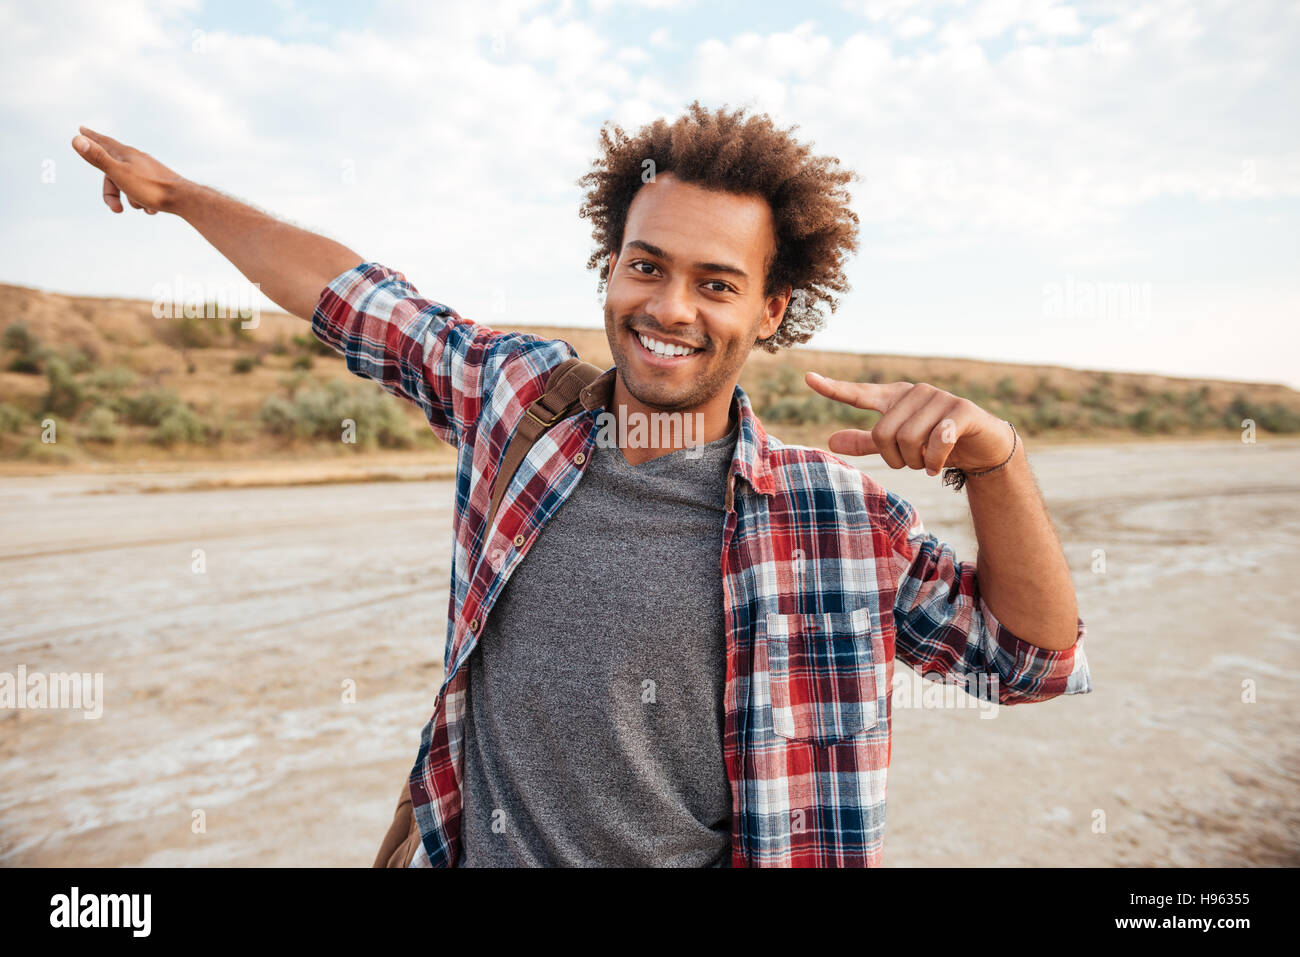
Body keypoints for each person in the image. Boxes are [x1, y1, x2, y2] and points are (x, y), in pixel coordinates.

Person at [70, 100, 1092, 868]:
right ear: (609, 267)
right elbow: (354, 297)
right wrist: (184, 197)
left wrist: (996, 462)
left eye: (717, 283)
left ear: (773, 309)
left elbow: (1027, 663)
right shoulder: (517, 404)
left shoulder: (831, 517)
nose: (671, 307)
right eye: (646, 266)